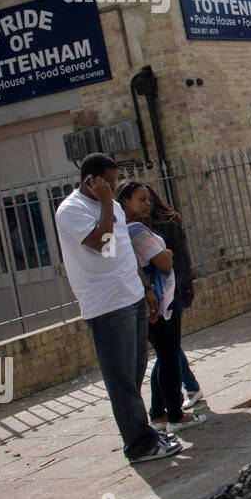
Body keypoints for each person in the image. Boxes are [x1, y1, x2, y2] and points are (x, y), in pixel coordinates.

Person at [53, 154, 181, 464]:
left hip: (132, 296)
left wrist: (146, 290)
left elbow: (124, 251)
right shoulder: (71, 210)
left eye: (114, 181)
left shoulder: (114, 207)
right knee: (121, 378)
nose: (113, 187)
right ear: (90, 181)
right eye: (107, 182)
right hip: (106, 304)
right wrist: (108, 203)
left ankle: (146, 434)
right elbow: (104, 243)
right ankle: (138, 444)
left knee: (135, 370)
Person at [117, 181, 206, 435]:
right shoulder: (135, 230)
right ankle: (176, 415)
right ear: (126, 202)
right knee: (168, 356)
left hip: (147, 299)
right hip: (161, 301)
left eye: (148, 199)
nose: (148, 204)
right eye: (141, 199)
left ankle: (158, 412)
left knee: (164, 355)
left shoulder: (123, 231)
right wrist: (165, 253)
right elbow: (165, 263)